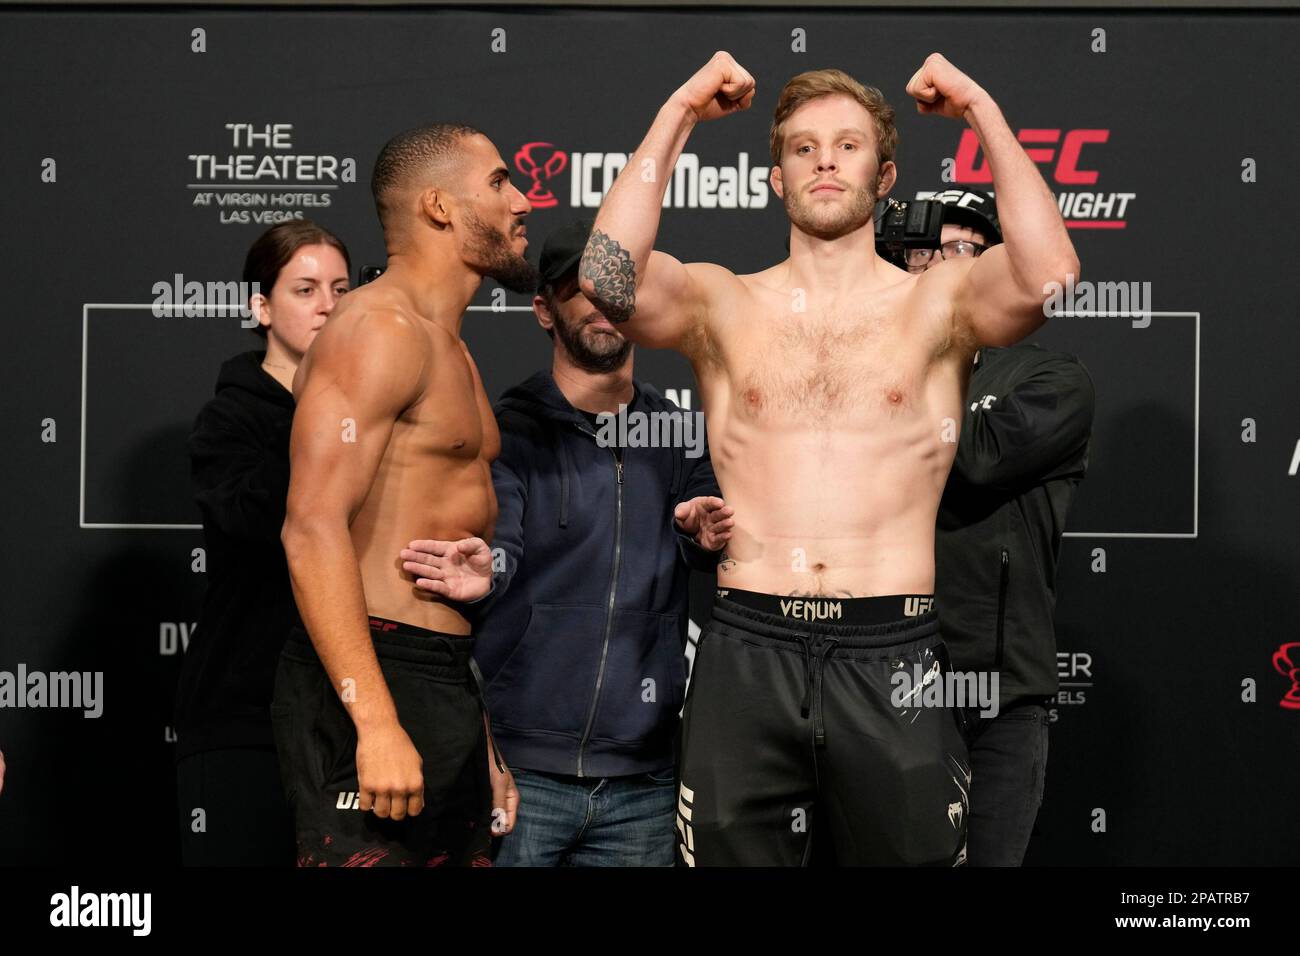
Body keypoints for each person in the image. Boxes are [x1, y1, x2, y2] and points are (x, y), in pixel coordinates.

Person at [579, 51, 1080, 865]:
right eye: (803, 147)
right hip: (749, 647)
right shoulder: (720, 302)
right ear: (775, 177)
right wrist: (678, 111)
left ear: (885, 178)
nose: (823, 161)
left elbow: (1052, 276)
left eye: (847, 146)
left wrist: (982, 108)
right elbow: (605, 282)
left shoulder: (938, 303)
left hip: (895, 650)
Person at [401, 219, 732, 866]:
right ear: (545, 311)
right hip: (521, 771)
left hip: (645, 778)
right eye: (580, 288)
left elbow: (706, 535)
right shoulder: (507, 432)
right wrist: (488, 570)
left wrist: (705, 534)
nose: (603, 303)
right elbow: (502, 542)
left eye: (617, 287)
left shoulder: (683, 435)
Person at [272, 123, 535, 867]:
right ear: (439, 207)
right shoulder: (378, 331)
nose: (521, 201)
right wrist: (377, 721)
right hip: (370, 679)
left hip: (441, 677)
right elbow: (310, 528)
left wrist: (477, 735)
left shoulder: (448, 344)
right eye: (498, 182)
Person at [918, 188, 1096, 866]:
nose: (946, 264)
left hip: (1000, 692)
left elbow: (981, 462)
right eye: (929, 252)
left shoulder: (1052, 377)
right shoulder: (864, 373)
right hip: (880, 678)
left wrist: (915, 363)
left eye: (967, 249)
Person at [175, 220, 351, 866]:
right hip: (243, 719)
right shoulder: (231, 419)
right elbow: (258, 523)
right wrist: (324, 422)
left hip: (350, 718)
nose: (329, 305)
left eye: (339, 288)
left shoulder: (371, 415)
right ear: (261, 306)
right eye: (305, 289)